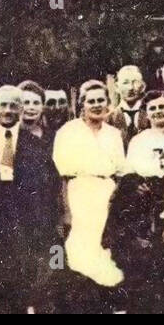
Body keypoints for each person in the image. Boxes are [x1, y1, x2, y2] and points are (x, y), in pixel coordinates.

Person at [0, 85, 59, 315]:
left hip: (25, 225)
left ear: (20, 109)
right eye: (3, 105)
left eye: (13, 105)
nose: (8, 110)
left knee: (26, 287)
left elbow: (49, 187)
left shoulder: (37, 145)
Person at [52, 80, 126, 308]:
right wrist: (66, 213)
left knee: (104, 261)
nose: (96, 105)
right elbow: (62, 177)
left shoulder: (114, 134)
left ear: (108, 104)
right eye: (90, 101)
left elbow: (120, 173)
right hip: (79, 197)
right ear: (81, 104)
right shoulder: (68, 131)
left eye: (100, 100)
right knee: (79, 260)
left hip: (105, 198)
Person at [113, 89, 164, 312]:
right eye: (152, 108)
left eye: (162, 106)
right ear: (146, 113)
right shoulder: (138, 140)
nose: (158, 111)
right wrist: (137, 186)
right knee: (144, 266)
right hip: (145, 203)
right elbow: (128, 175)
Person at [109, 65, 149, 147]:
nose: (130, 87)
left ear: (143, 87)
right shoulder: (109, 118)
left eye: (135, 82)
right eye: (125, 83)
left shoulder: (152, 115)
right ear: (117, 87)